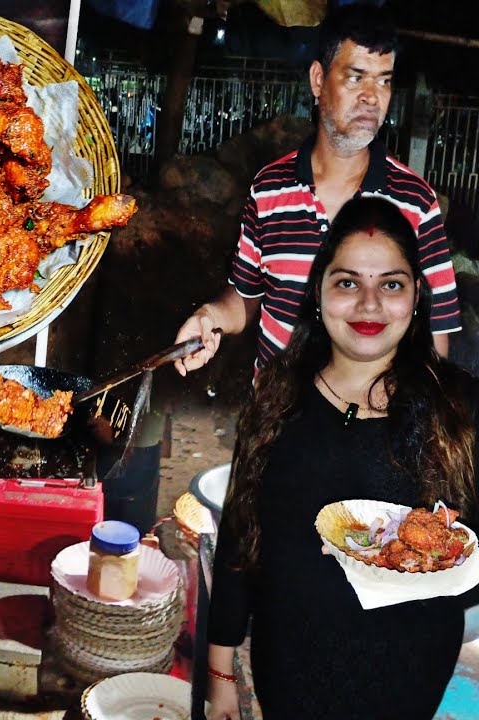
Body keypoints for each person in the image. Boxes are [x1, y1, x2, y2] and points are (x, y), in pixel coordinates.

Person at [205, 195, 479, 719]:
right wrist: (220, 676)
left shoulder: (461, 409)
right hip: (286, 678)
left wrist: (425, 565)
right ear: (318, 292)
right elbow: (240, 545)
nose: (369, 305)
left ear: (416, 295)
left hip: (408, 684)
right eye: (348, 283)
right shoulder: (276, 398)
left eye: (391, 285)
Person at [174, 5, 461, 376]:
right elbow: (245, 295)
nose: (372, 97)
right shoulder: (269, 190)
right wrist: (210, 317)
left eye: (384, 81)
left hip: (376, 412)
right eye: (356, 78)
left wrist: (426, 405)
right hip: (277, 408)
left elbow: (437, 329)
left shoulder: (416, 203)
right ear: (318, 80)